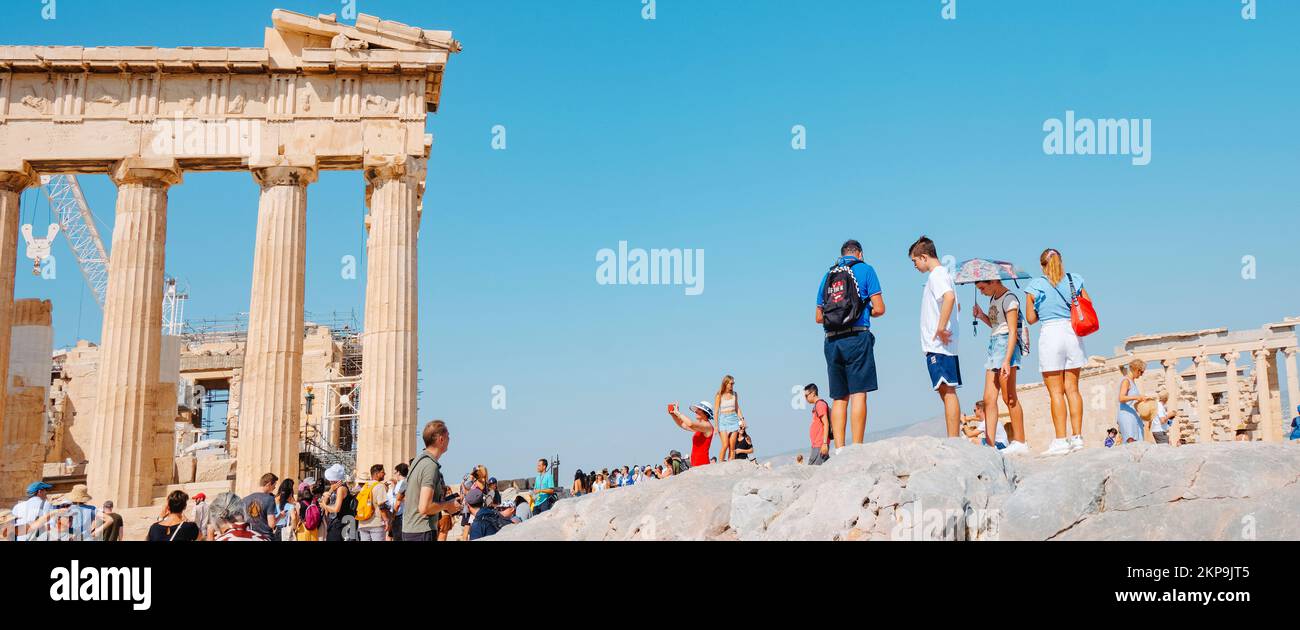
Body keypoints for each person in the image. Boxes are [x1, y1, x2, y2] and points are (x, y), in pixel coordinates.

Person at [816, 239, 886, 451]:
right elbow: (880, 308)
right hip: (857, 338)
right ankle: (856, 447)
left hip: (832, 341)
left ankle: (839, 448)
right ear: (860, 254)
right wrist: (865, 312)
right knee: (858, 393)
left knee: (839, 397)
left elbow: (819, 316)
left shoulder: (828, 275)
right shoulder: (866, 270)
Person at [1025, 248, 1091, 454]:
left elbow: (1031, 318)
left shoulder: (1036, 285)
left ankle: (1061, 440)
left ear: (1041, 265)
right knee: (1073, 388)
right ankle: (1077, 437)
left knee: (1056, 392)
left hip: (1051, 333)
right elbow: (1087, 304)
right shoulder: (1075, 279)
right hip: (1072, 333)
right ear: (1061, 262)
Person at [909, 236, 962, 438]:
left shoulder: (937, 275)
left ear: (924, 257)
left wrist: (940, 328)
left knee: (947, 389)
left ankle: (954, 438)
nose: (915, 266)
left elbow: (949, 298)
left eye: (915, 261)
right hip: (941, 345)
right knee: (945, 389)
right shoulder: (942, 275)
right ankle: (953, 436)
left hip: (940, 345)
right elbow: (954, 303)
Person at [971, 277, 1030, 454]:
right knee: (988, 399)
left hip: (1006, 347)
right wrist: (981, 316)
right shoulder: (993, 299)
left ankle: (1020, 441)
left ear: (993, 282)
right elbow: (996, 324)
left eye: (983, 287)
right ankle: (990, 446)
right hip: (994, 345)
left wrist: (1007, 359)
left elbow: (1012, 330)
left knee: (1009, 396)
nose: (981, 292)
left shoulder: (1009, 299)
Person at [402, 420, 461, 542]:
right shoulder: (430, 466)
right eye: (448, 436)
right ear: (441, 439)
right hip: (422, 531)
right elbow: (425, 507)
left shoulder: (419, 461)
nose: (449, 439)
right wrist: (448, 505)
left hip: (410, 529)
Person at [668, 401, 716, 467]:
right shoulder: (701, 427)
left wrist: (678, 413)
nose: (696, 411)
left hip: (702, 464)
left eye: (698, 410)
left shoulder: (707, 426)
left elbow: (690, 424)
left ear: (705, 413)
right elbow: (683, 425)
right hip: (695, 464)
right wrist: (673, 415)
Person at [1116, 360, 1151, 444]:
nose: (1142, 374)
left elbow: (1132, 400)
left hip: (1133, 415)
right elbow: (1121, 398)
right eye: (1141, 372)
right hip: (1127, 416)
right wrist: (1136, 397)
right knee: (1131, 443)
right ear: (1137, 370)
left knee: (1138, 442)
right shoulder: (1126, 381)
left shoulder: (1132, 382)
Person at [714, 375, 746, 462]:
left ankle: (729, 464)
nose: (732, 385)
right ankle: (720, 464)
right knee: (725, 445)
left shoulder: (735, 394)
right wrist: (716, 426)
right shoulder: (719, 395)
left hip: (734, 420)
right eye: (731, 383)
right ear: (726, 383)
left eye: (733, 383)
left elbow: (737, 408)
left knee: (732, 447)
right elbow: (716, 411)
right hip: (723, 421)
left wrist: (742, 419)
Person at [322, 464, 356, 541]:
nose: (330, 481)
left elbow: (336, 509)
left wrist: (325, 506)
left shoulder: (341, 489)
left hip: (340, 524)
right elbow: (325, 500)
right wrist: (330, 490)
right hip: (338, 522)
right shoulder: (336, 488)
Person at [356, 464, 389, 541]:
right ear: (377, 474)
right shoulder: (380, 486)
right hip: (376, 523)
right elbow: (381, 505)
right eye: (383, 472)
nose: (385, 474)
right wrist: (386, 520)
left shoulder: (365, 486)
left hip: (363, 522)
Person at [242, 473, 279, 540]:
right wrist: (280, 516)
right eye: (274, 485)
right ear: (269, 484)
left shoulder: (245, 499)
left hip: (249, 536)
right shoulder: (270, 499)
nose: (274, 488)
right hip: (264, 537)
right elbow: (272, 524)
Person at [803, 384, 832, 465]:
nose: (805, 398)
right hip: (817, 444)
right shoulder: (817, 405)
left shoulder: (820, 405)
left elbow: (826, 424)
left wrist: (825, 443)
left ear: (813, 393)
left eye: (806, 395)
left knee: (813, 469)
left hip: (820, 444)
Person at [388, 462, 408, 541]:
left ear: (399, 472)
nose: (395, 475)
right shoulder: (403, 483)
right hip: (401, 515)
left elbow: (398, 501)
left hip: (399, 515)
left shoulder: (402, 484)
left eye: (395, 472)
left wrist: (393, 516)